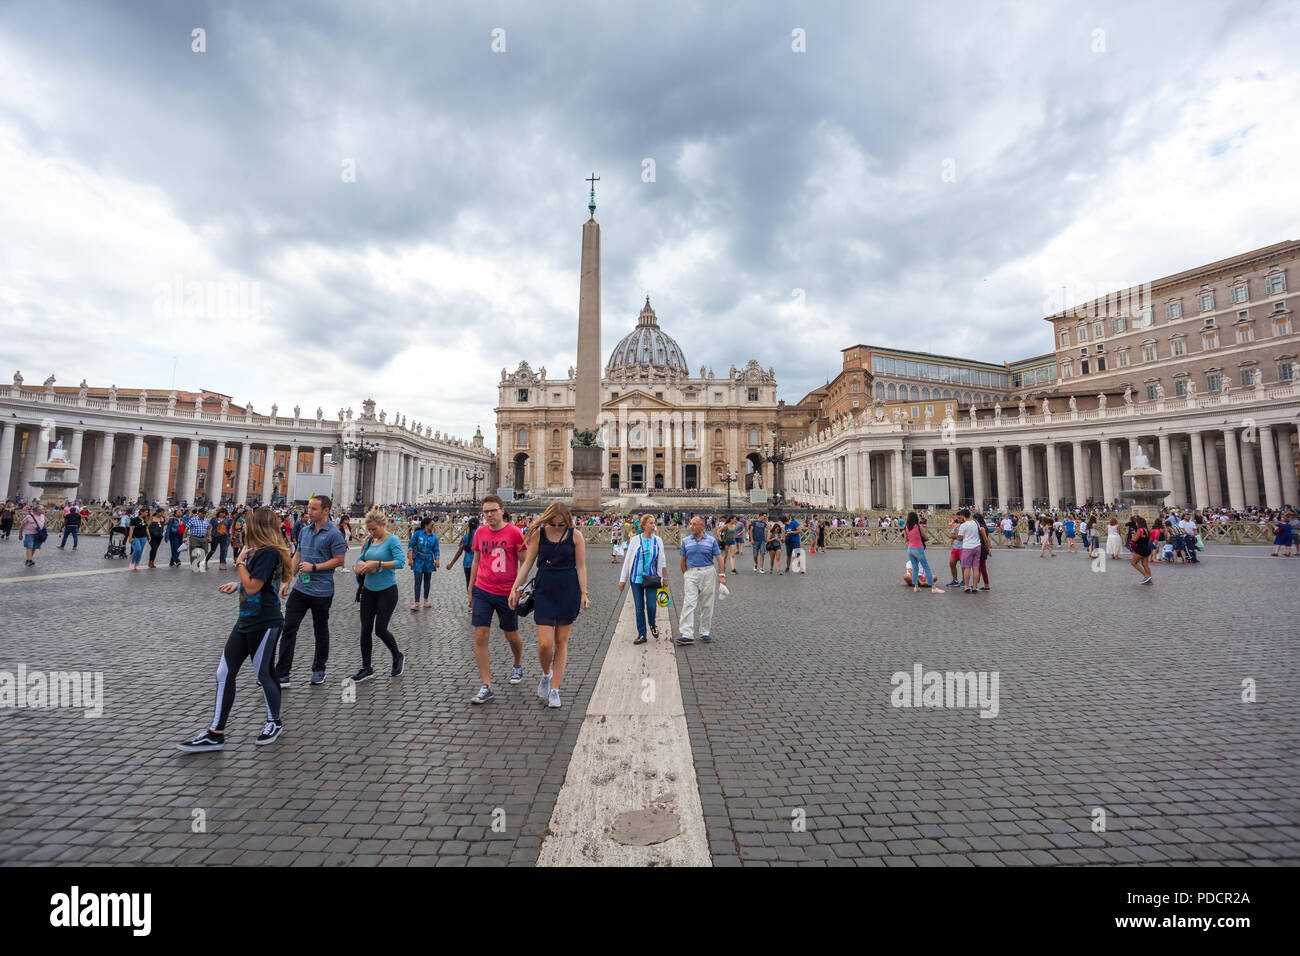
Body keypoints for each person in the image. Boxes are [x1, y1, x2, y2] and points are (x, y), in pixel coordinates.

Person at [177, 507, 291, 752]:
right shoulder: (259, 551)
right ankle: (215, 732)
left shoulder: (268, 552)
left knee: (264, 674)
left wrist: (239, 564)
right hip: (246, 620)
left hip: (265, 621)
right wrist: (238, 583)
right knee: (223, 672)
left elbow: (254, 587)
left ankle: (274, 722)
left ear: (258, 526)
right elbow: (258, 584)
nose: (243, 527)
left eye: (247, 523)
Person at [509, 503, 589, 709]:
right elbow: (527, 563)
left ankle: (555, 689)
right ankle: (546, 673)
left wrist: (585, 594)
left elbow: (581, 566)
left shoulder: (576, 536)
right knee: (545, 643)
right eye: (554, 523)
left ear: (567, 521)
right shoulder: (539, 534)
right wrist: (515, 588)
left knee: (561, 641)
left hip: (568, 590)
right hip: (544, 590)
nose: (557, 526)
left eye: (561, 524)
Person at [273, 495, 349, 687]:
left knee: (320, 630)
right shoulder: (305, 531)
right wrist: (287, 580)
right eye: (309, 508)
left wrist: (315, 567)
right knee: (289, 628)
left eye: (314, 509)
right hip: (301, 589)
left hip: (322, 591)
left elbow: (339, 560)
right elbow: (298, 555)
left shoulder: (334, 534)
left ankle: (319, 669)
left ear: (326, 511)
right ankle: (282, 673)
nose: (309, 512)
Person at [466, 495, 526, 704]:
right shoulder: (480, 533)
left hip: (506, 592)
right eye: (486, 512)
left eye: (493, 510)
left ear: (502, 510)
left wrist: (518, 590)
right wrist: (471, 587)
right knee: (480, 636)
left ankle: (517, 662)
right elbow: (476, 560)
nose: (489, 515)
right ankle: (486, 685)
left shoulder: (515, 533)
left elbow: (524, 564)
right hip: (483, 589)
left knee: (511, 635)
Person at [351, 507, 406, 683]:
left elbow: (400, 562)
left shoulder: (392, 540)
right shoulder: (369, 541)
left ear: (383, 524)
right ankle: (366, 667)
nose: (372, 532)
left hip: (387, 591)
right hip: (368, 591)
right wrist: (357, 565)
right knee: (365, 630)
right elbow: (362, 558)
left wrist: (378, 563)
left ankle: (397, 655)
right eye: (369, 529)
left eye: (375, 529)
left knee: (380, 629)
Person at [618, 513, 668, 644]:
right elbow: (628, 559)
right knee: (639, 607)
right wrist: (622, 579)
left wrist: (664, 578)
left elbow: (662, 560)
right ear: (644, 526)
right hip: (636, 578)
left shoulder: (658, 541)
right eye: (651, 523)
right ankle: (642, 634)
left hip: (651, 577)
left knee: (651, 606)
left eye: (654, 523)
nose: (653, 525)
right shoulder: (635, 540)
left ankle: (652, 624)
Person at [677, 515, 724, 645]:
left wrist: (722, 575)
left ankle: (705, 632)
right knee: (689, 602)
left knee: (707, 604)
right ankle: (687, 634)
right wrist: (686, 574)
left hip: (708, 571)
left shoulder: (711, 540)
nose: (691, 526)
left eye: (694, 524)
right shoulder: (686, 541)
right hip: (691, 573)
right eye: (690, 524)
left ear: (702, 526)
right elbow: (682, 560)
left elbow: (719, 558)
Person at [905, 511, 944, 594]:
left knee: (915, 568)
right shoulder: (918, 527)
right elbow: (926, 537)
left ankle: (916, 587)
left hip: (910, 549)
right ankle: (933, 588)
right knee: (927, 568)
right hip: (918, 548)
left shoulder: (906, 527)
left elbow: (906, 539)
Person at [408, 516, 440, 610]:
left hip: (429, 561)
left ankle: (426, 600)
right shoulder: (418, 533)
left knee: (427, 581)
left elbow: (436, 550)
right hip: (418, 559)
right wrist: (410, 559)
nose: (433, 526)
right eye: (432, 524)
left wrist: (437, 560)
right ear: (426, 525)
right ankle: (416, 603)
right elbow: (410, 546)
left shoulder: (434, 537)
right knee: (417, 581)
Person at [952, 509, 982, 593]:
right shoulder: (976, 522)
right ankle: (975, 587)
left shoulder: (963, 525)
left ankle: (966, 586)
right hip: (977, 546)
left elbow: (959, 538)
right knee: (976, 568)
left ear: (962, 515)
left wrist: (956, 529)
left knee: (967, 567)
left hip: (967, 547)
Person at [445, 516, 479, 587]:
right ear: (478, 525)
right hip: (478, 564)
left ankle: (470, 597)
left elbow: (459, 552)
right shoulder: (480, 536)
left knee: (469, 584)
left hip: (467, 564)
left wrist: (451, 564)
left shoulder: (465, 537)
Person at [1128, 514, 1154, 585]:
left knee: (1133, 563)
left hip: (1141, 549)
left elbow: (1134, 540)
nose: (1136, 524)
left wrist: (1133, 535)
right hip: (1147, 549)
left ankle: (1146, 576)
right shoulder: (1147, 530)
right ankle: (1149, 580)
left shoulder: (1140, 530)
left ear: (1139, 523)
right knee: (1145, 564)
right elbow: (1144, 538)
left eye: (1136, 522)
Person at [187, 507, 212, 572]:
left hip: (203, 538)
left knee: (205, 551)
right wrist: (184, 538)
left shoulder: (206, 520)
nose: (204, 515)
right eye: (203, 513)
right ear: (198, 513)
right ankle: (194, 566)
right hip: (194, 538)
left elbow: (208, 528)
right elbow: (186, 528)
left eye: (205, 513)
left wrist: (209, 536)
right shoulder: (193, 519)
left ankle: (199, 564)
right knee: (194, 552)